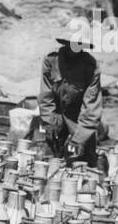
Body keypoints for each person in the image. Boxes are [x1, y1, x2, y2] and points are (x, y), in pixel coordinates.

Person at [39, 26, 104, 167]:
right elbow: (46, 96)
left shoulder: (91, 66)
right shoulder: (51, 60)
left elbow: (91, 108)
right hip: (56, 117)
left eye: (78, 44)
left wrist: (79, 139)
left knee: (84, 165)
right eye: (71, 43)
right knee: (50, 164)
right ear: (65, 42)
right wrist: (49, 123)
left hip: (80, 121)